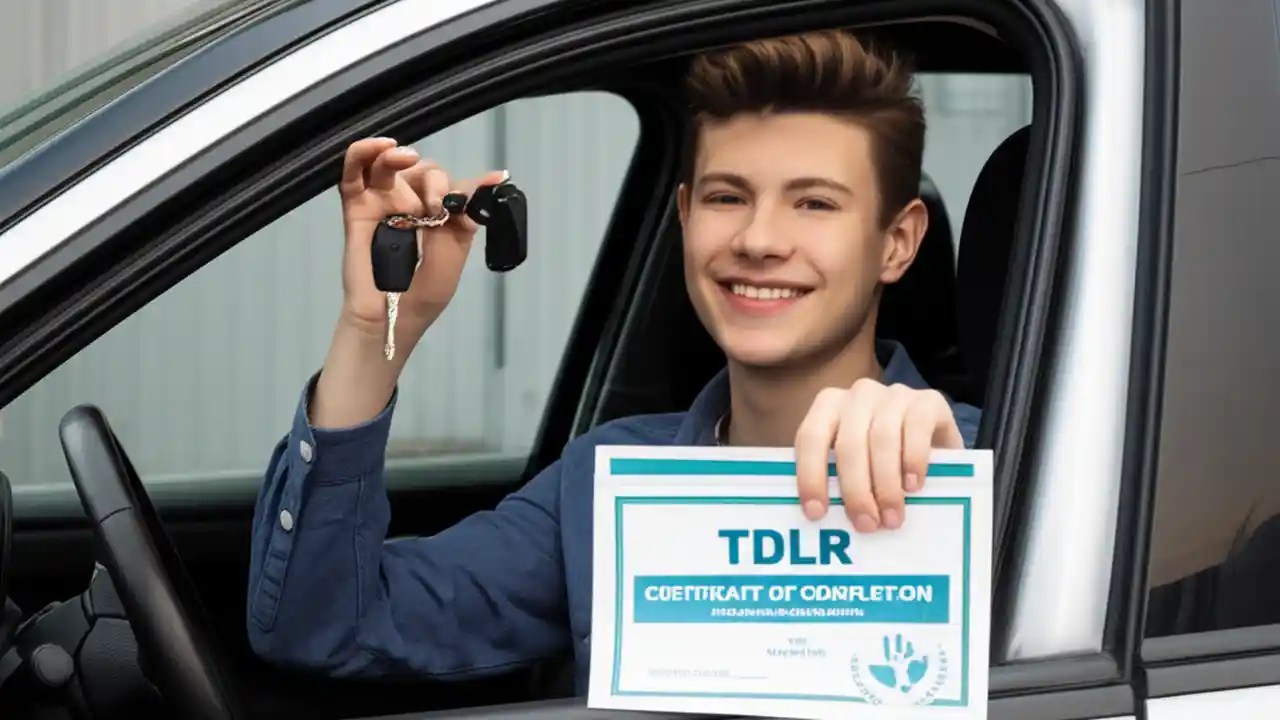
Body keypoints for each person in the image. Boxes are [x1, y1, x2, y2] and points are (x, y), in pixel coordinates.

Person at [246, 29, 981, 693]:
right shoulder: (606, 484)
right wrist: (377, 327)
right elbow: (324, 630)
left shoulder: (1000, 461)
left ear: (898, 242)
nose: (760, 239)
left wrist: (946, 482)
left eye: (814, 204)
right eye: (729, 197)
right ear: (687, 216)